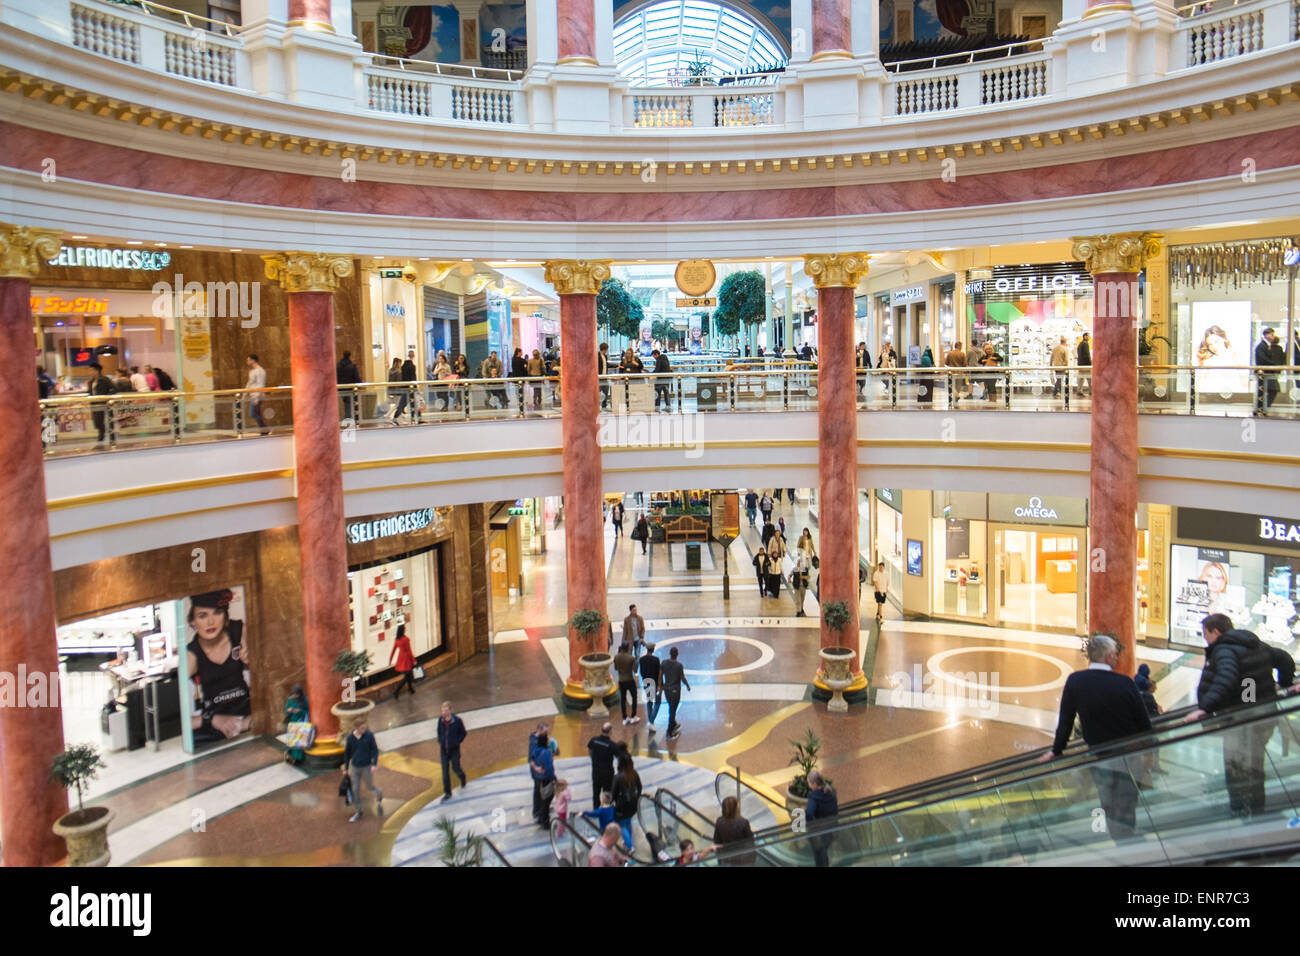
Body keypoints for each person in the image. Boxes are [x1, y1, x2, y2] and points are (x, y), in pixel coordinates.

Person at [1187, 613, 1296, 818]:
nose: (1205, 639)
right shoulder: (1255, 644)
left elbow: (1226, 678)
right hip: (1263, 714)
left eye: (1206, 634)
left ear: (1216, 632)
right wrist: (1286, 684)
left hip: (1240, 719)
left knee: (1236, 766)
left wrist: (1205, 708)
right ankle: (1255, 807)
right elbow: (1285, 660)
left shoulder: (1224, 651)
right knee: (1255, 763)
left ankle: (1241, 809)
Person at [1043, 635, 1151, 839]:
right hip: (1127, 756)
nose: (1117, 658)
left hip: (1098, 755)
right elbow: (1144, 725)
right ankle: (1126, 841)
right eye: (1116, 655)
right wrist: (1148, 749)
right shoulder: (1125, 683)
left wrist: (1056, 750)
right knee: (1126, 801)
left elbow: (1066, 721)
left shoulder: (1076, 681)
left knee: (1107, 798)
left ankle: (1115, 836)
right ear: (1109, 656)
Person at [186, 589, 252, 745]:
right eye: (202, 616)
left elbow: (268, 675)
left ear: (225, 616)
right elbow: (179, 723)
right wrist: (211, 720)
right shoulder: (191, 655)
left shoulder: (239, 630)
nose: (210, 622)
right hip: (215, 723)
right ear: (193, 621)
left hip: (248, 713)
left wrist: (252, 660)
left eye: (217, 613)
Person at [343, 720, 383, 822]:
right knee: (355, 789)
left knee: (369, 786)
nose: (364, 730)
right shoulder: (350, 738)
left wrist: (374, 764)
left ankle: (378, 793)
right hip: (355, 767)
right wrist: (346, 768)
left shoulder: (369, 736)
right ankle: (358, 811)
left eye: (365, 728)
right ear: (356, 728)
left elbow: (374, 750)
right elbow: (347, 754)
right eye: (362, 728)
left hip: (366, 766)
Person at [436, 701, 469, 802]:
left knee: (456, 768)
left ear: (450, 710)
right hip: (444, 750)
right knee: (445, 773)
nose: (444, 712)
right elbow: (438, 731)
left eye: (446, 710)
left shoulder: (457, 721)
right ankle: (447, 793)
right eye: (442, 710)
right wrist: (440, 740)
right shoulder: (440, 720)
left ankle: (462, 777)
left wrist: (457, 741)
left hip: (454, 749)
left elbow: (463, 733)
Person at [805, 769, 838, 867]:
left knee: (819, 854)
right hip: (832, 827)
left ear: (814, 784)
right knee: (824, 850)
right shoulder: (831, 790)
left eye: (809, 783)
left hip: (820, 831)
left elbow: (809, 814)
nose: (808, 786)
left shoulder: (814, 797)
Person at [712, 795, 755, 866]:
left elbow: (716, 840)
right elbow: (750, 840)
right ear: (735, 808)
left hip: (727, 857)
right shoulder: (743, 822)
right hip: (742, 858)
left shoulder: (719, 821)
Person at [611, 754, 643, 851]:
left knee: (622, 825)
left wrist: (614, 801)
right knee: (628, 822)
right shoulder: (634, 773)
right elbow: (640, 787)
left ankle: (630, 846)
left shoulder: (618, 777)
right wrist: (637, 797)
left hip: (622, 805)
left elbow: (613, 792)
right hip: (633, 804)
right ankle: (628, 840)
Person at [660, 646, 691, 739]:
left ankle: (674, 724)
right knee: (672, 710)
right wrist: (688, 685)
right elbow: (682, 677)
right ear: (677, 654)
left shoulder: (664, 663)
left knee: (671, 707)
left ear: (670, 653)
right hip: (675, 691)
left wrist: (660, 685)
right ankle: (669, 732)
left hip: (667, 690)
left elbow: (660, 675)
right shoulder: (679, 666)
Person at [587, 723, 619, 810]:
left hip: (596, 771)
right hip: (607, 773)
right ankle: (606, 810)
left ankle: (596, 810)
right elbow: (619, 757)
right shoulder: (612, 745)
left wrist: (592, 758)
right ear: (610, 731)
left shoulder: (594, 740)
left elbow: (589, 748)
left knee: (596, 792)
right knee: (607, 793)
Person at [529, 729, 557, 828]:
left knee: (541, 798)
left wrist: (536, 768)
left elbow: (531, 761)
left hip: (538, 777)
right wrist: (554, 778)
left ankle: (540, 816)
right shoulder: (547, 752)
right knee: (547, 799)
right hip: (546, 779)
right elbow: (549, 768)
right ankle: (544, 821)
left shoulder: (536, 750)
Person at [1254, 327, 1285, 415]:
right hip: (1264, 372)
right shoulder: (1261, 347)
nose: (1273, 336)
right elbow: (1263, 359)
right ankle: (1261, 409)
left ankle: (1262, 408)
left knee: (1269, 390)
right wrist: (1274, 366)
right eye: (1271, 334)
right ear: (1266, 335)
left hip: (1268, 373)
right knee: (1271, 390)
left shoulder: (1267, 346)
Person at [614, 641, 640, 726]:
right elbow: (635, 670)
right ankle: (633, 716)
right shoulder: (631, 658)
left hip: (621, 681)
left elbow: (616, 668)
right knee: (634, 697)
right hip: (629, 680)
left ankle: (624, 718)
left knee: (623, 699)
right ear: (628, 647)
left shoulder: (616, 657)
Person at [87, 363, 115, 443]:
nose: (90, 372)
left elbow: (114, 389)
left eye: (91, 370)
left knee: (104, 420)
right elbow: (90, 392)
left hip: (103, 403)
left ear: (97, 371)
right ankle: (102, 433)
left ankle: (106, 436)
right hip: (94, 403)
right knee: (97, 421)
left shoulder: (104, 379)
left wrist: (106, 397)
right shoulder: (91, 381)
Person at [283, 684, 310, 764]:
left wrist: (300, 711)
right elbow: (286, 711)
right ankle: (289, 755)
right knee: (292, 741)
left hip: (301, 723)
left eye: (296, 694)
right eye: (294, 694)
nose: (294, 695)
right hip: (292, 723)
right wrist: (289, 710)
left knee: (299, 741)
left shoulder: (305, 700)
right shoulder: (290, 700)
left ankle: (297, 759)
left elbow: (308, 712)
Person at [388, 623, 417, 698]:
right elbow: (409, 651)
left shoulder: (397, 640)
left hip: (401, 659)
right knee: (407, 677)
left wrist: (390, 660)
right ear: (402, 630)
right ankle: (396, 691)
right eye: (404, 628)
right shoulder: (406, 639)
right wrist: (413, 660)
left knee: (408, 675)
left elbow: (393, 650)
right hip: (406, 659)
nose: (405, 629)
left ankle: (410, 689)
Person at [640, 642, 662, 730]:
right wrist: (659, 685)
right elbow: (658, 673)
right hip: (654, 682)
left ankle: (651, 721)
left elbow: (641, 672)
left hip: (646, 681)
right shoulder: (656, 659)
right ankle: (651, 720)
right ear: (652, 649)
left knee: (649, 701)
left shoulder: (641, 659)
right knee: (658, 702)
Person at [336, 350, 361, 423]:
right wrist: (359, 386)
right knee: (349, 405)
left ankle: (344, 421)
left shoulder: (337, 366)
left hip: (340, 389)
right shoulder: (352, 366)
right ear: (350, 356)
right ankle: (349, 421)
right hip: (350, 389)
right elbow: (357, 378)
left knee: (344, 405)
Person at [791, 548, 811, 616]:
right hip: (796, 585)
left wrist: (804, 577)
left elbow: (808, 577)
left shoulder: (805, 569)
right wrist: (789, 578)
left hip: (803, 586)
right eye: (799, 563)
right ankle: (798, 611)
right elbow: (790, 574)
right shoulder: (795, 569)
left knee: (802, 599)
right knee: (797, 599)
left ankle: (801, 609)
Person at [598, 342, 611, 410]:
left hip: (605, 376)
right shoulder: (597, 355)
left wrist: (617, 366)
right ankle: (597, 406)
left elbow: (606, 365)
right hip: (599, 377)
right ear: (605, 349)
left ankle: (604, 405)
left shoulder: (605, 356)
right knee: (598, 391)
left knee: (606, 390)